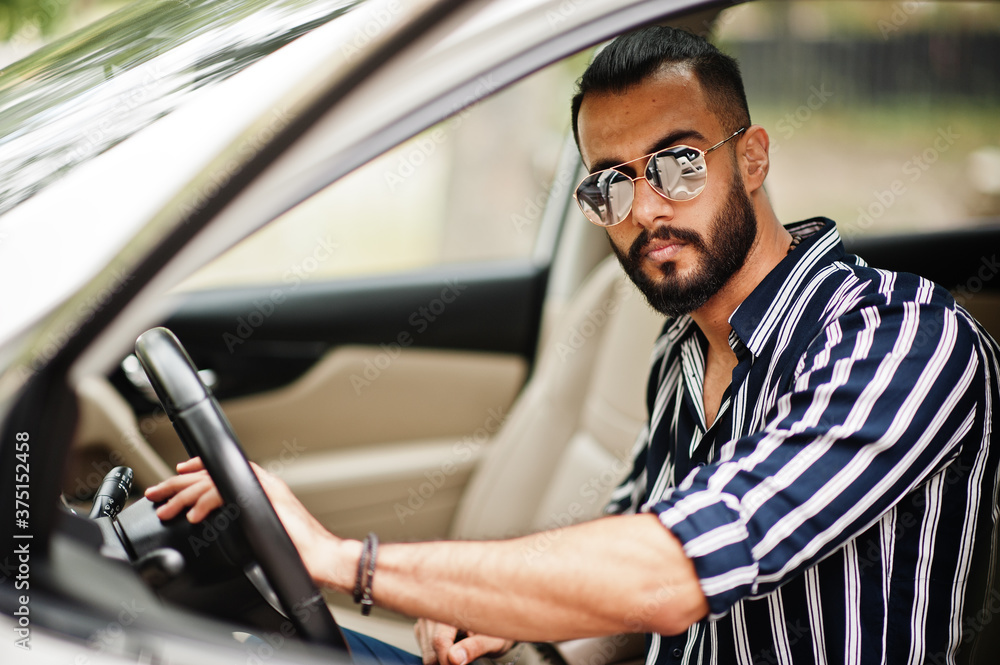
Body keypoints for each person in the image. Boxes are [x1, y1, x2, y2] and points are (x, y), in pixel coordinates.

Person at [146, 25, 1000, 665]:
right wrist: (494, 605)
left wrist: (346, 562)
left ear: (753, 159)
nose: (645, 210)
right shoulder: (684, 351)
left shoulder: (900, 342)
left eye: (678, 163)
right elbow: (633, 527)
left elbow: (668, 571)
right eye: (611, 182)